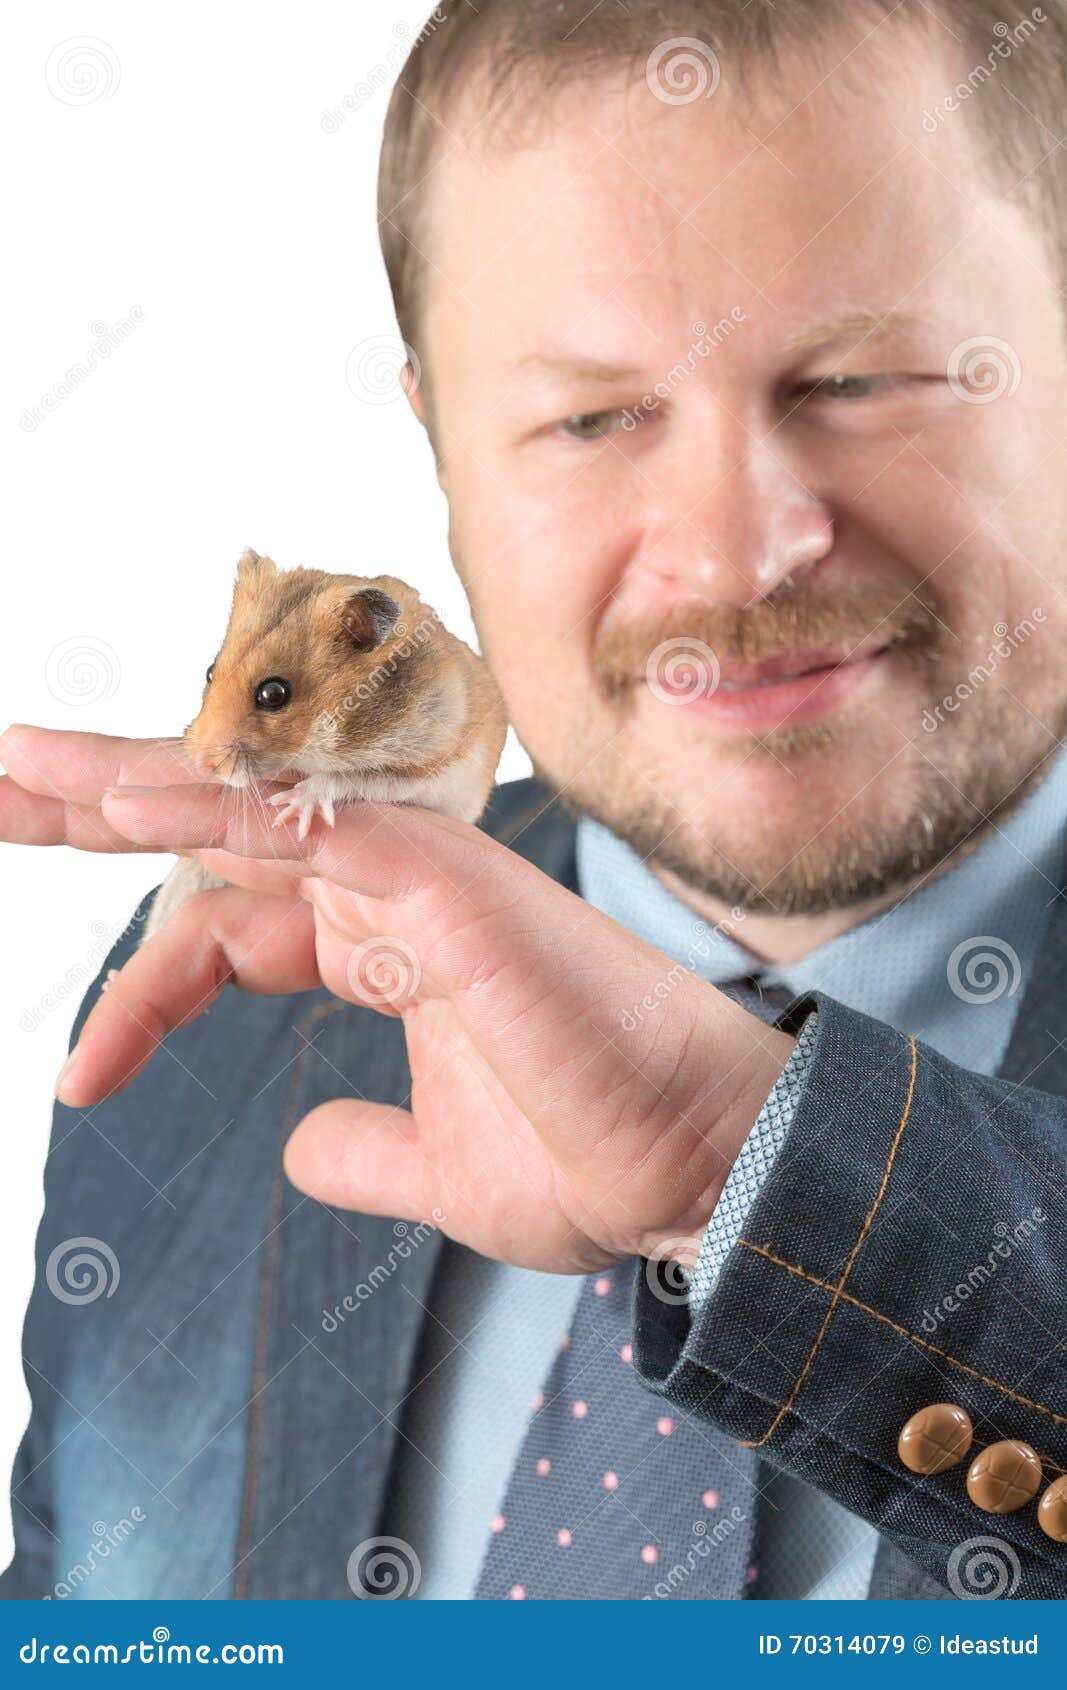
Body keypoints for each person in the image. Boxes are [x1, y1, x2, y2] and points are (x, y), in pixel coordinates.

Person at [2, 0, 1066, 1601]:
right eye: (591, 417)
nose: (727, 553)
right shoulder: (210, 1023)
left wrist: (748, 1167)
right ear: (437, 441)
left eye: (862, 378)